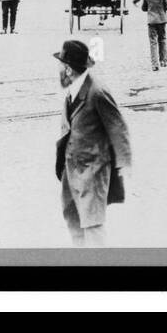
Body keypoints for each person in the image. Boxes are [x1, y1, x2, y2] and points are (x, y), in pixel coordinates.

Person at [54, 39, 132, 248]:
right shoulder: (73, 89)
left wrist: (124, 163)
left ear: (69, 69)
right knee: (73, 220)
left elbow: (118, 126)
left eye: (61, 65)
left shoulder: (97, 91)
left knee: (93, 225)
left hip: (93, 170)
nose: (59, 69)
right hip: (71, 170)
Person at [140, 0, 167, 71]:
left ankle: (155, 64)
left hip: (152, 21)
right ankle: (164, 61)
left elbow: (143, 8)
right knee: (162, 40)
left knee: (153, 42)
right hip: (162, 20)